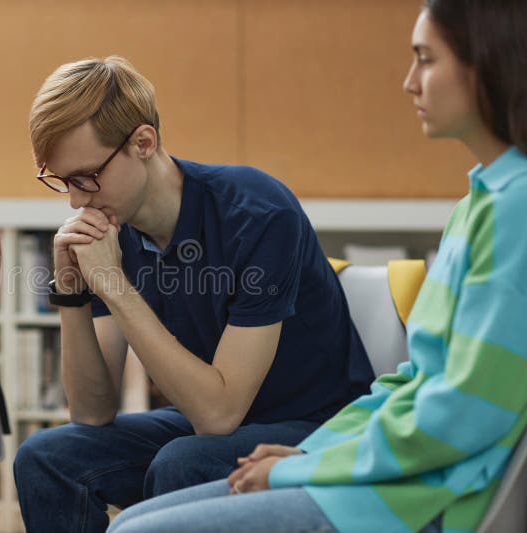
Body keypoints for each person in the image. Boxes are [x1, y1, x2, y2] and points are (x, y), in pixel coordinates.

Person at [106, 0, 527, 531]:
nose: (408, 82)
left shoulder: (515, 212)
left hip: (418, 498)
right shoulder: (478, 204)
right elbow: (414, 384)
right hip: (381, 476)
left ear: (487, 63)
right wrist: (309, 457)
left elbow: (462, 415)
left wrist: (307, 468)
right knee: (129, 524)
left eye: (426, 59)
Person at [14, 56, 376, 532]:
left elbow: (217, 415)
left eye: (86, 178)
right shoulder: (113, 229)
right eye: (63, 183)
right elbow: (91, 411)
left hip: (320, 427)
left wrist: (115, 287)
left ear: (143, 143)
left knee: (183, 461)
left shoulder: (258, 213)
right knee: (47, 456)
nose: (77, 201)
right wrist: (73, 296)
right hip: (215, 423)